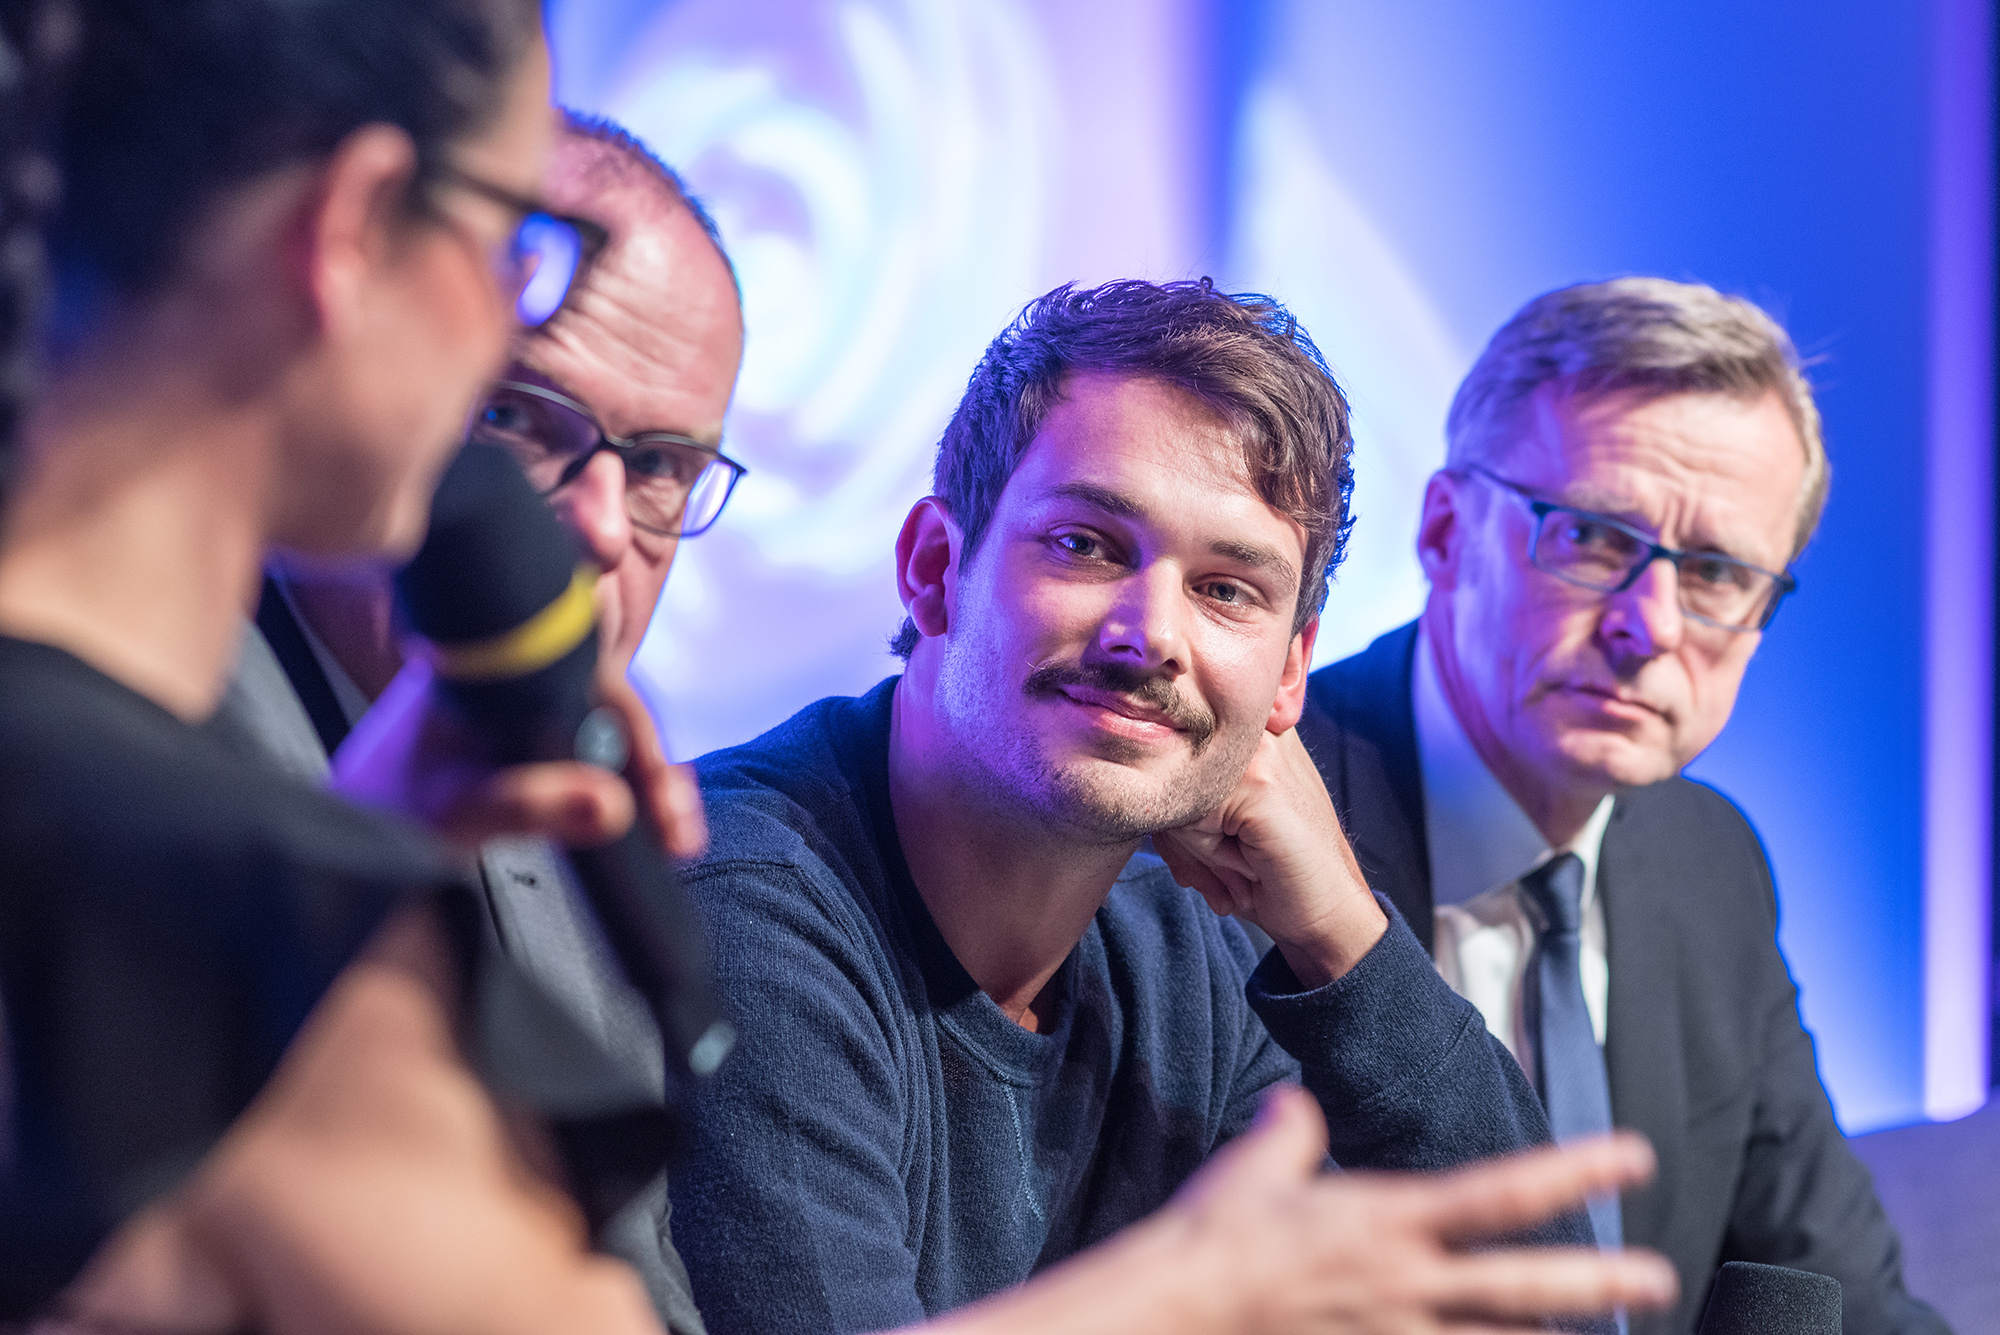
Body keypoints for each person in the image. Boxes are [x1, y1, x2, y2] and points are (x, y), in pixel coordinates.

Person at [663, 278, 1679, 1335]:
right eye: (1085, 545)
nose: (1149, 635)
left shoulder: (1184, 946)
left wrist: (1340, 931)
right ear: (934, 569)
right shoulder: (739, 899)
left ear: (1288, 677)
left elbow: (1535, 1310)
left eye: (1225, 589)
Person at [0, 1, 674, 1329]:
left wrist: (359, 831)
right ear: (354, 222)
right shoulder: (202, 898)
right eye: (508, 247)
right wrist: (1204, 1261)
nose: (499, 317)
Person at [1293, 277, 1948, 1335]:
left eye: (1714, 572)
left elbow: (1844, 1295)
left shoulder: (1710, 860)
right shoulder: (1241, 824)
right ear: (1446, 532)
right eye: (1592, 539)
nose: (1647, 625)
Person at [233, 110, 745, 1335]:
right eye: (521, 418)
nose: (604, 527)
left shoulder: (581, 833)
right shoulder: (158, 715)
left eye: (666, 463)